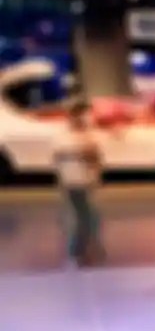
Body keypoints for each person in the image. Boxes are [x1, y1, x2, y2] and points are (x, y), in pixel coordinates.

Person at [54, 102, 104, 267]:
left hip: (87, 179)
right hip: (72, 180)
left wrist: (95, 167)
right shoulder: (64, 135)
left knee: (90, 216)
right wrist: (81, 153)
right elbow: (60, 154)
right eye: (82, 115)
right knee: (83, 216)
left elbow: (95, 155)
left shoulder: (88, 134)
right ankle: (78, 251)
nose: (85, 118)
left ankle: (88, 249)